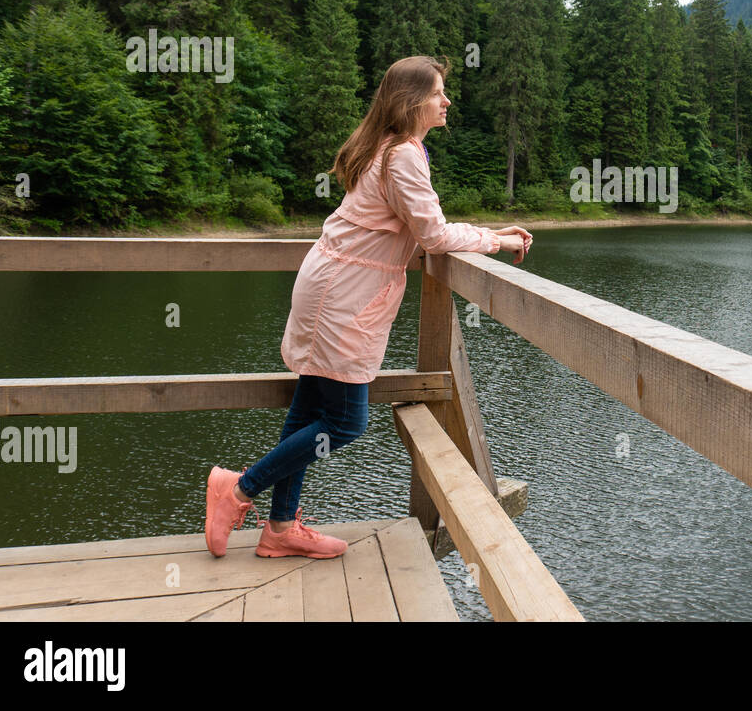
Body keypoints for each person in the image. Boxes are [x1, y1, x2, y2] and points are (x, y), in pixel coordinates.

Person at [205, 55, 532, 559]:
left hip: (338, 285)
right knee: (344, 423)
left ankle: (280, 528)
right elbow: (434, 234)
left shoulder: (392, 147)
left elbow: (421, 223)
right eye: (438, 93)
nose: (446, 102)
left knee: (307, 412)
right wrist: (494, 237)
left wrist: (488, 231)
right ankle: (240, 489)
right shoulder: (401, 153)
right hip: (344, 295)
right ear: (411, 101)